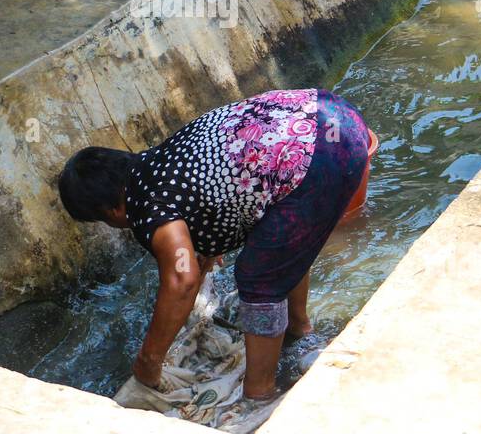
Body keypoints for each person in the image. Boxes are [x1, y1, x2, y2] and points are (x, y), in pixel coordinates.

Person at [58, 88, 371, 401]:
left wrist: (148, 361)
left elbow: (181, 279)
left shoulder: (146, 209)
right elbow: (222, 182)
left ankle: (259, 392)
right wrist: (206, 248)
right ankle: (299, 330)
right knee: (276, 247)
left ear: (111, 211)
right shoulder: (158, 160)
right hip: (336, 118)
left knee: (258, 278)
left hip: (319, 157)